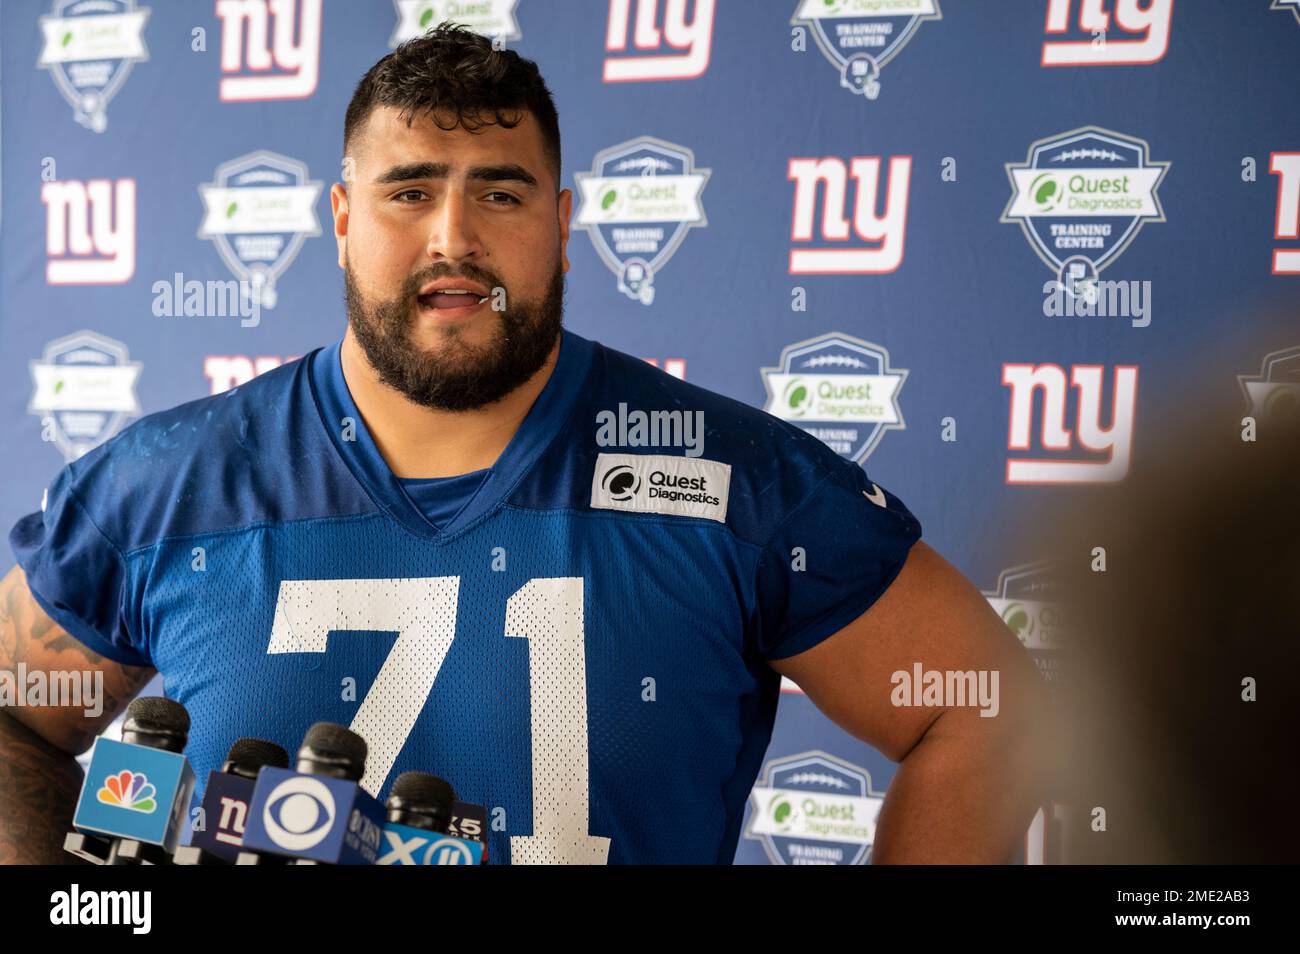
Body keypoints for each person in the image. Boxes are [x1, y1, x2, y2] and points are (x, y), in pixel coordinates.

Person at [0, 24, 1045, 865]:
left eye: (498, 193)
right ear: (339, 219)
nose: (452, 236)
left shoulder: (741, 485)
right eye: (408, 192)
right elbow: (13, 719)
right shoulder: (164, 488)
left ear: (561, 224)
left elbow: (984, 711)